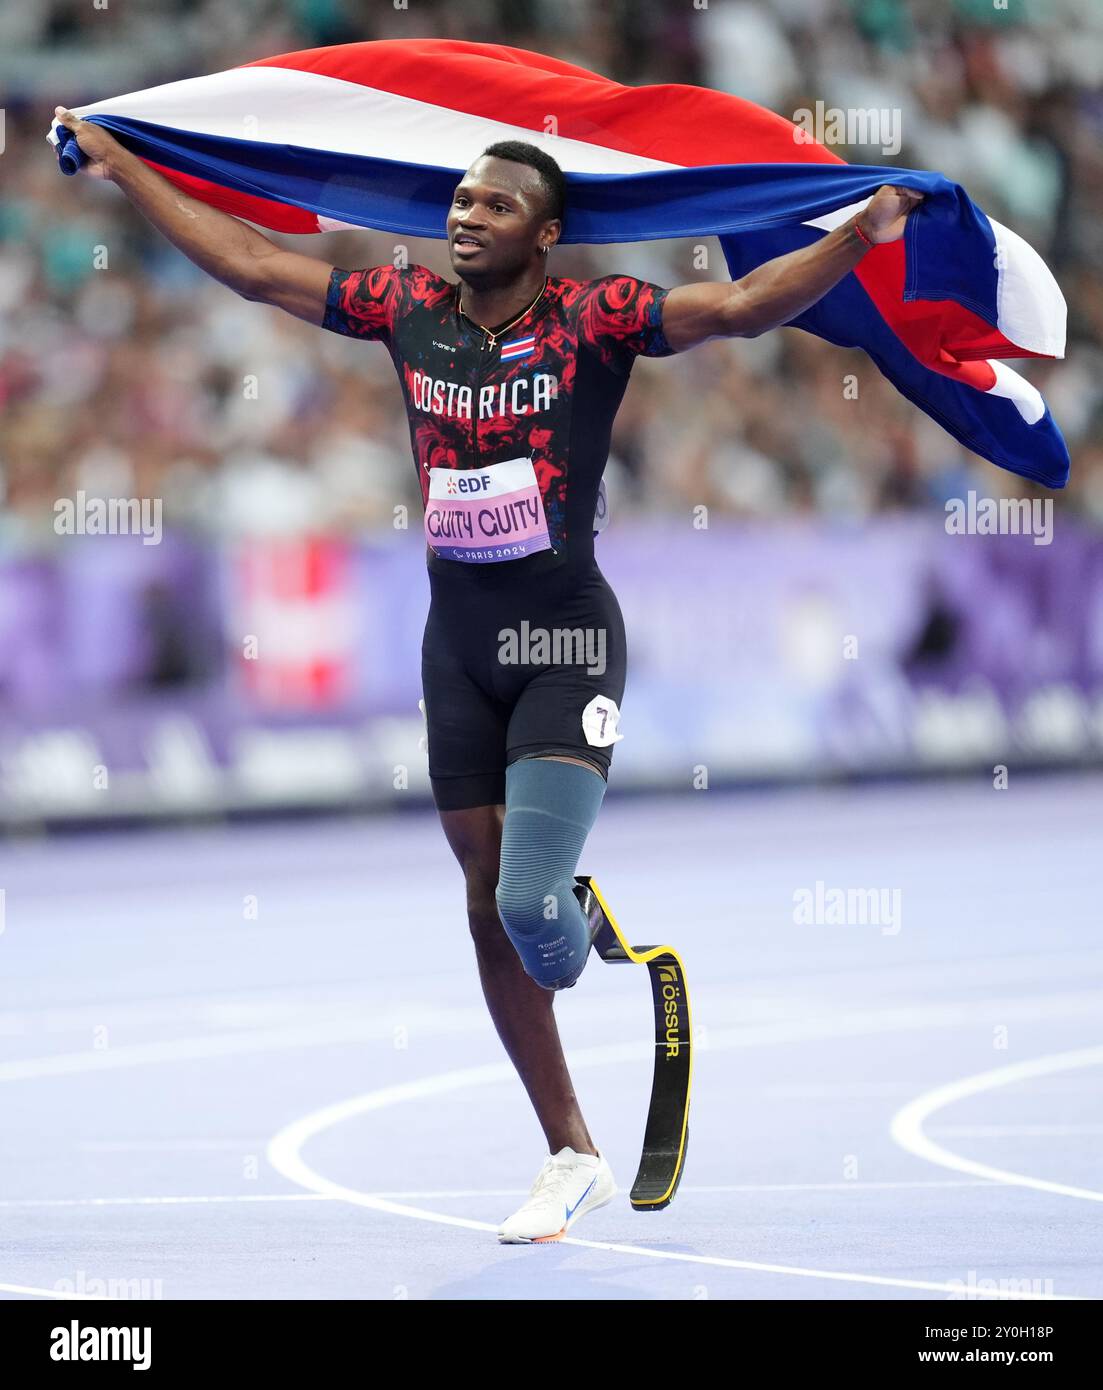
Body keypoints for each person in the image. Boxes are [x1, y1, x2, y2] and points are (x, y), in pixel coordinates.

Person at [53, 107, 922, 1242]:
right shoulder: (402, 305)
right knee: (486, 905)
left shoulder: (596, 317)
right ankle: (569, 1151)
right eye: (461, 201)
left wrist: (865, 229)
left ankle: (571, 913)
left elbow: (746, 307)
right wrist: (120, 164)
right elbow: (259, 268)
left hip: (563, 639)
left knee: (524, 906)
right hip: (454, 648)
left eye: (496, 206)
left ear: (545, 234)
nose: (468, 217)